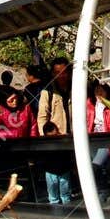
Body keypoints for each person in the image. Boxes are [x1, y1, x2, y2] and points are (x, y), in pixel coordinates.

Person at [33, 62, 73, 206]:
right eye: (57, 72)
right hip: (54, 137)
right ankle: (54, 201)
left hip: (71, 136)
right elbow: (42, 116)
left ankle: (67, 199)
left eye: (64, 72)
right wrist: (45, 139)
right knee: (53, 169)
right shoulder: (48, 91)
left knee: (66, 170)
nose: (61, 75)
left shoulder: (75, 88)